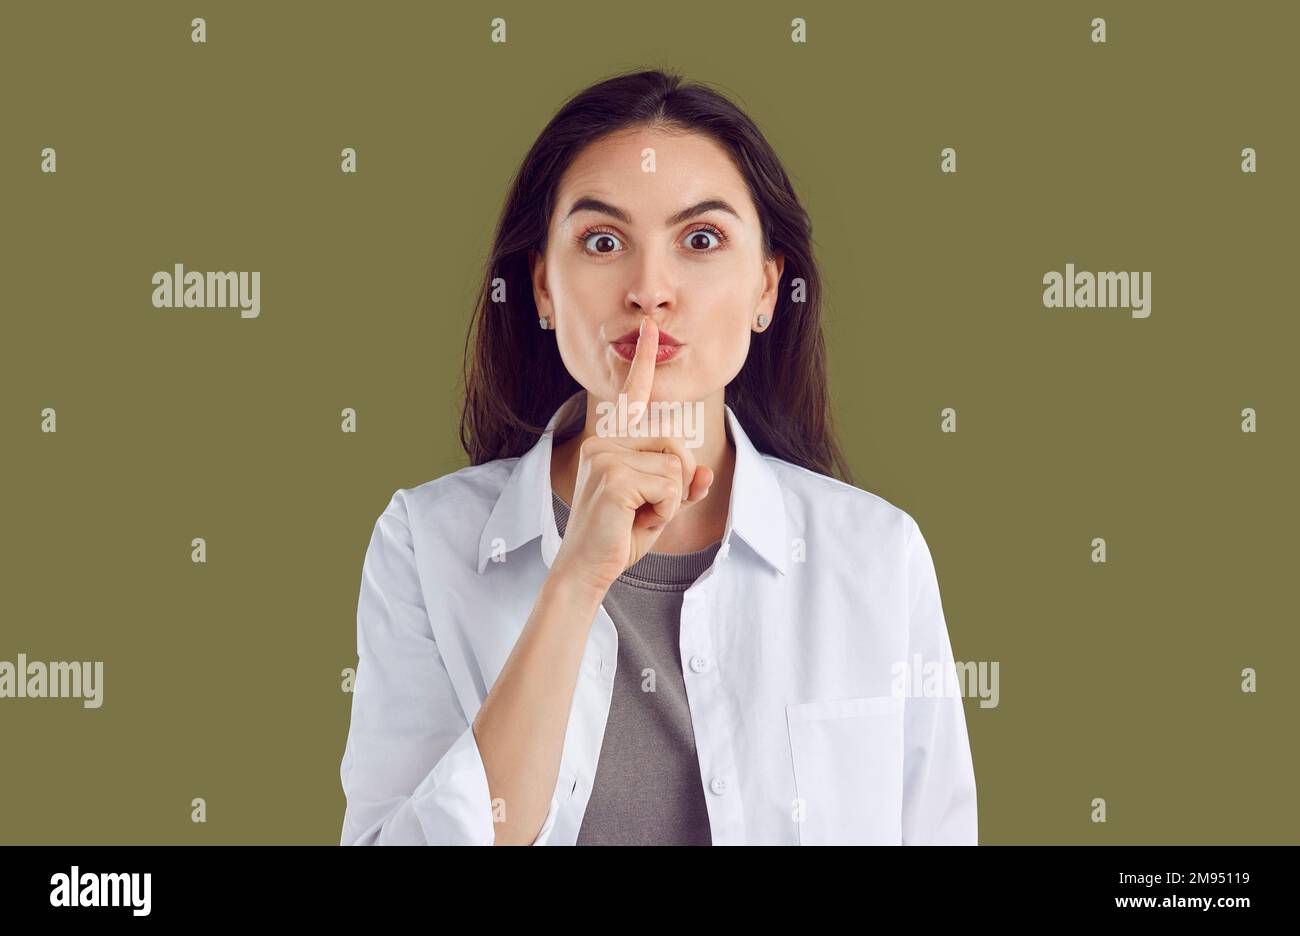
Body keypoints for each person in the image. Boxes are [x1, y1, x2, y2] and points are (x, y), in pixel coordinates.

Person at [339, 68, 977, 846]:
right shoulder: (424, 544)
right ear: (542, 288)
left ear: (768, 289)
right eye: (603, 241)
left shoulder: (877, 555)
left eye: (701, 239)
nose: (650, 289)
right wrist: (574, 582)